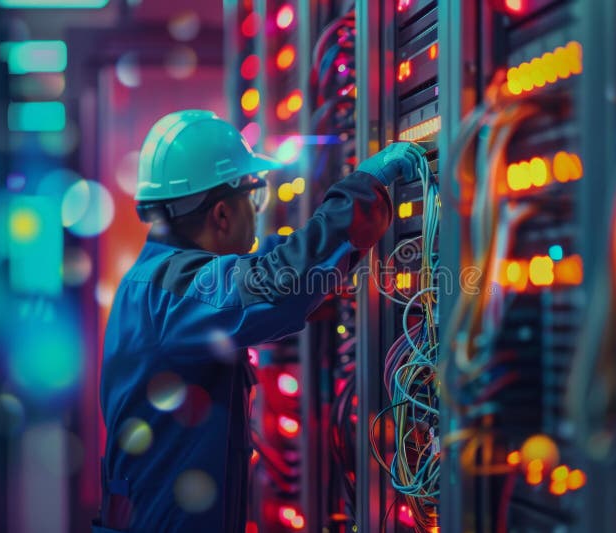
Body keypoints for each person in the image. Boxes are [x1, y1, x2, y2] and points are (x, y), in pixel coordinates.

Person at [96, 110, 426, 532]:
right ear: (220, 214)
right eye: (253, 198)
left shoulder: (160, 280)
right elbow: (274, 286)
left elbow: (265, 269)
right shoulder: (169, 292)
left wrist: (332, 269)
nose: (257, 213)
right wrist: (364, 192)